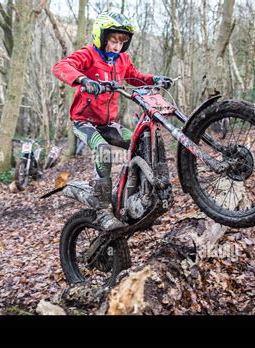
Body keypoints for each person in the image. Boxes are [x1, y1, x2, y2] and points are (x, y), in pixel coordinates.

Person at [52, 11, 173, 230]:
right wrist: (83, 79)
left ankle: (139, 198)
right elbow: (61, 67)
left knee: (141, 141)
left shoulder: (122, 60)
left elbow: (134, 77)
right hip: (84, 121)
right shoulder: (89, 54)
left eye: (122, 42)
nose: (117, 46)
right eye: (113, 40)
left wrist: (155, 79)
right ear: (101, 36)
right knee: (103, 150)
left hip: (108, 123)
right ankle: (102, 211)